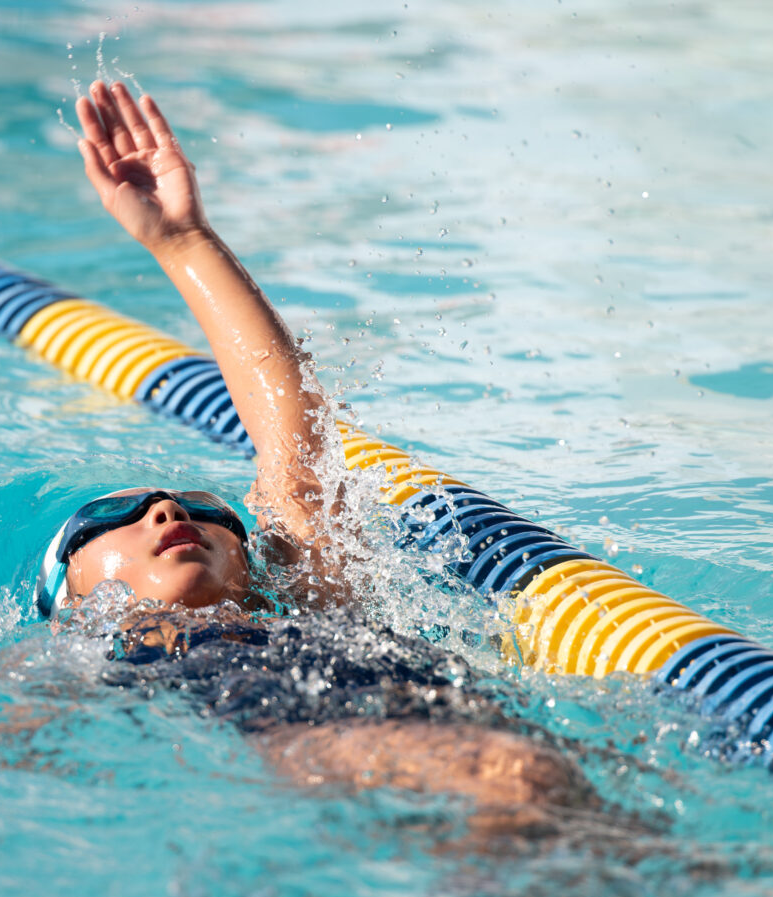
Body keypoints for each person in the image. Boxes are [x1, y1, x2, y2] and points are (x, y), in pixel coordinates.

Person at [40, 81, 603, 843]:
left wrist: (184, 239)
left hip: (462, 753)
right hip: (332, 753)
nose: (167, 513)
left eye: (201, 508)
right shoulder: (91, 653)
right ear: (67, 597)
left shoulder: (313, 599)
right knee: (526, 779)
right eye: (113, 518)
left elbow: (293, 448)